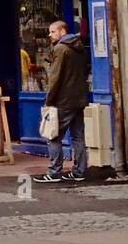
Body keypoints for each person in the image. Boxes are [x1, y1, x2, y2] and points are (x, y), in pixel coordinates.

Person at [35, 20, 90, 184]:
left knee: (53, 136)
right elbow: (84, 71)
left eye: (52, 32)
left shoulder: (60, 48)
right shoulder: (79, 47)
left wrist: (49, 100)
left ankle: (54, 172)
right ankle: (79, 171)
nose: (49, 35)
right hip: (79, 98)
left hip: (64, 100)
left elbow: (55, 77)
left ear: (62, 31)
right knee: (78, 137)